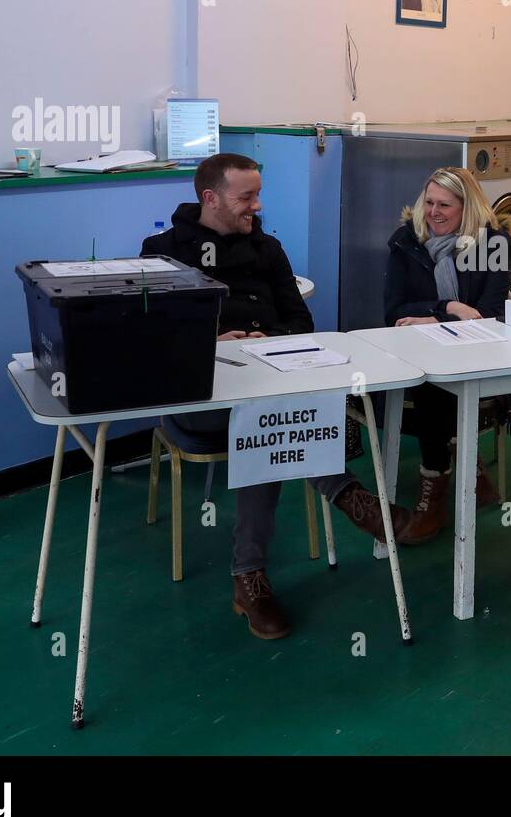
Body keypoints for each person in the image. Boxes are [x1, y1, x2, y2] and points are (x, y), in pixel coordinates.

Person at [141, 153, 411, 641]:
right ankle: (350, 498)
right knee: (267, 422)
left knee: (274, 414)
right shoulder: (163, 253)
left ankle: (249, 580)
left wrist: (265, 338)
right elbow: (155, 336)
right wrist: (213, 343)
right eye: (246, 197)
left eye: (257, 195)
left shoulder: (267, 249)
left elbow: (300, 321)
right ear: (210, 198)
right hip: (202, 398)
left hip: (270, 379)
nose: (256, 205)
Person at [384, 167, 511, 544]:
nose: (433, 213)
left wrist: (433, 315)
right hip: (424, 352)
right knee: (429, 380)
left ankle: (439, 483)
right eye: (428, 203)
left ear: (467, 208)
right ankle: (443, 479)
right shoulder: (406, 242)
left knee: (442, 383)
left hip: (480, 348)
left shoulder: (493, 243)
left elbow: (490, 313)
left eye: (445, 205)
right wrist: (450, 306)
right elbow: (393, 311)